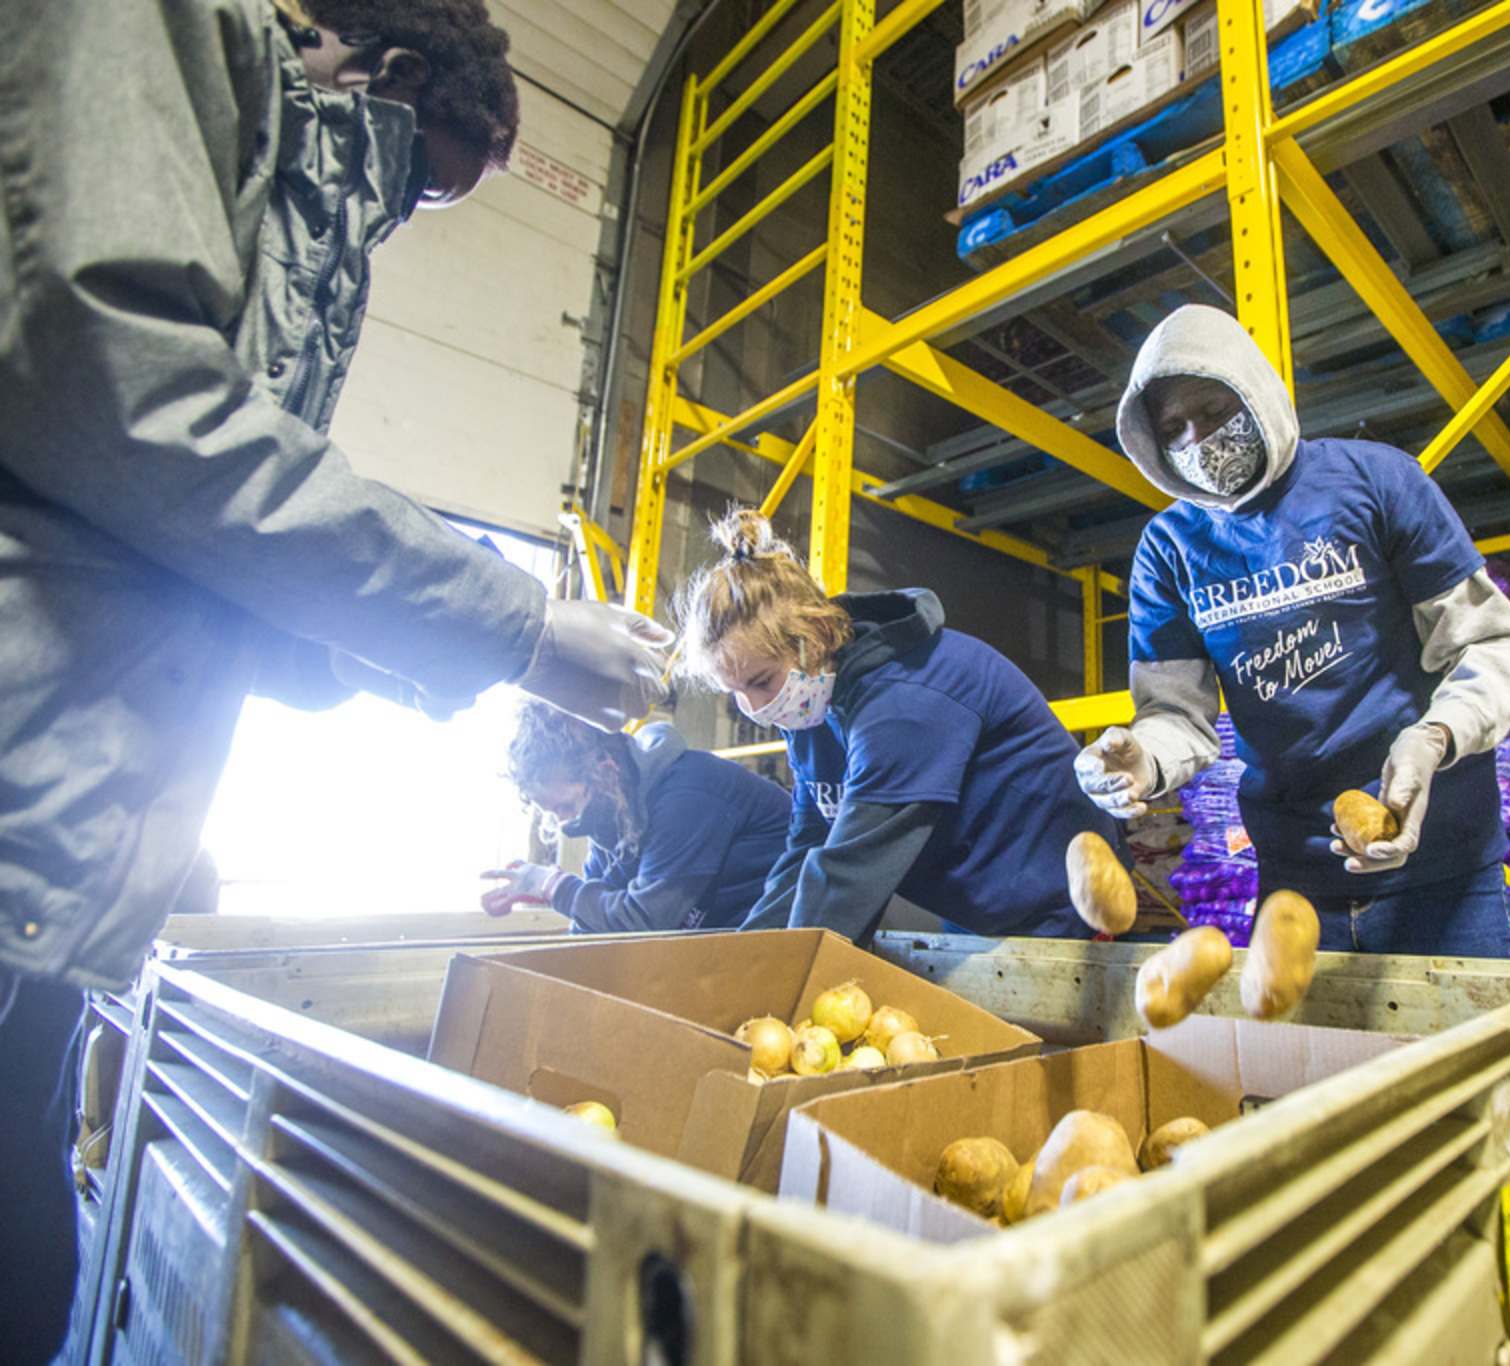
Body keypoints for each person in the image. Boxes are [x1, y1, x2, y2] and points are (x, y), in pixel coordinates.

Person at [0, 2, 670, 1356]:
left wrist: (428, 660)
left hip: (51, 848)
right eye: (425, 181)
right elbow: (134, 400)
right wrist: (517, 624)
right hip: (34, 789)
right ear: (389, 74)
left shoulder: (275, 198)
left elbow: (195, 561)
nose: (398, 216)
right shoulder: (147, 29)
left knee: (29, 1267)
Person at [1074, 304, 1510, 957]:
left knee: (1469, 1029)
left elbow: (1493, 644)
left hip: (1442, 866)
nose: (1199, 441)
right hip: (1297, 881)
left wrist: (1434, 736)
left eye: (1214, 410)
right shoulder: (1169, 549)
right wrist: (1145, 759)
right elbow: (1177, 715)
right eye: (1174, 429)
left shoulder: (1377, 481)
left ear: (1253, 392)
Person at [676, 509, 1114, 944]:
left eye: (760, 681)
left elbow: (850, 872)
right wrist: (744, 950)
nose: (757, 708)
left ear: (816, 635)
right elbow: (810, 842)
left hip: (1065, 899)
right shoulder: (810, 702)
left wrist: (782, 968)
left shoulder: (906, 698)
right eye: (736, 692)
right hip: (983, 904)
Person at [481, 701, 791, 933]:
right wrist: (555, 897)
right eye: (553, 814)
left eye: (567, 806)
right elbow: (595, 929)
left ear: (605, 769)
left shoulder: (688, 794)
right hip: (733, 946)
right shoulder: (616, 816)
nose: (565, 823)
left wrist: (553, 886)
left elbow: (645, 921)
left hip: (791, 940)